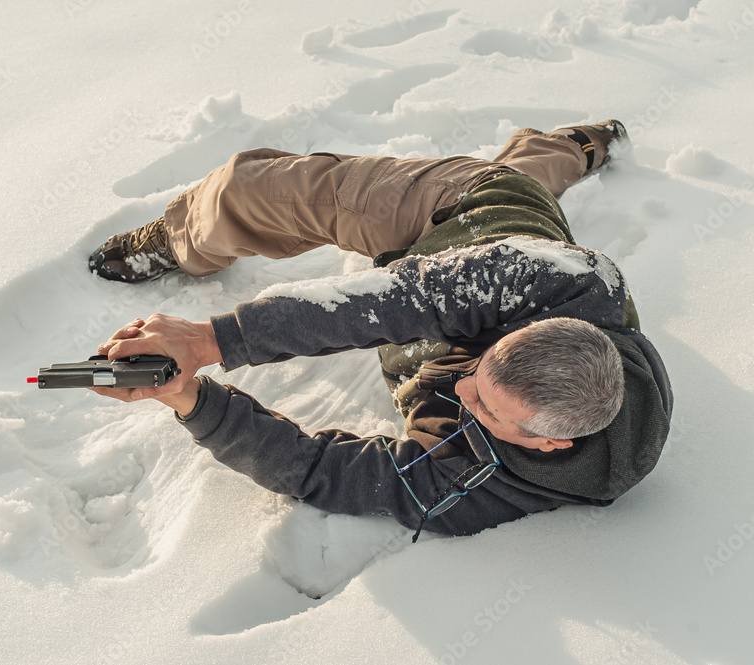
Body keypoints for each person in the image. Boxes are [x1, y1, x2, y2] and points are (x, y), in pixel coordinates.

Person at [87, 121, 673, 540]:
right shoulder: (564, 281)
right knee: (253, 189)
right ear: (535, 328)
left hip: (491, 247)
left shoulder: (475, 487)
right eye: (479, 369)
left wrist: (191, 399)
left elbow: (320, 471)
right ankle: (180, 238)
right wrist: (209, 341)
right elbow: (397, 300)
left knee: (526, 180)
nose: (463, 392)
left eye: (488, 410)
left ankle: (561, 148)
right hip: (460, 213)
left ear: (550, 444)